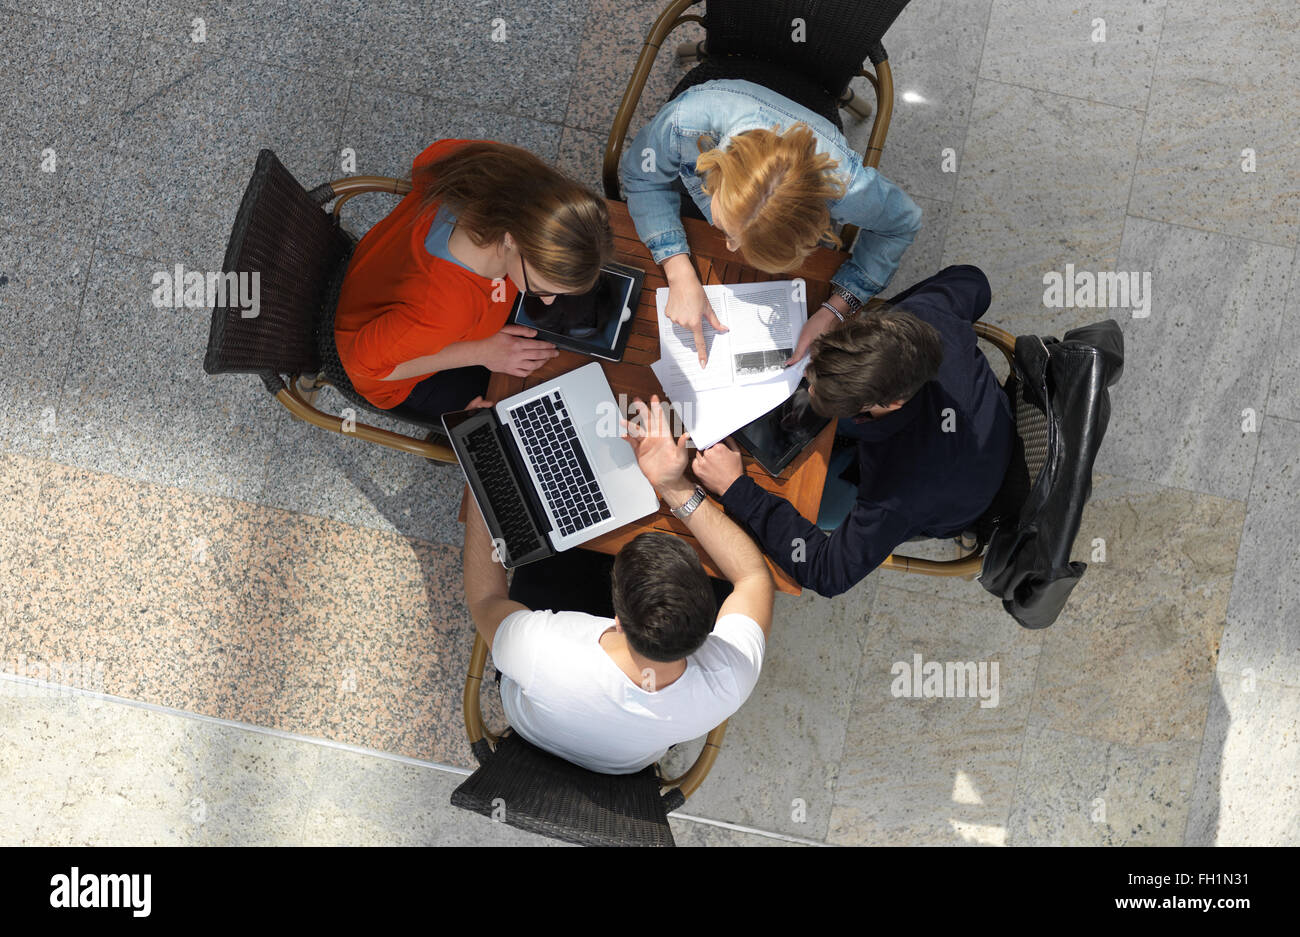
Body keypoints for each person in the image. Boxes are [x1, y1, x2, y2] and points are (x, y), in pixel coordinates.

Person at [461, 396, 774, 775]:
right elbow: (753, 576)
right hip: (623, 761)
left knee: (563, 542)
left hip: (543, 695)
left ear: (616, 618)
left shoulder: (541, 649)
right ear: (709, 621)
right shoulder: (729, 679)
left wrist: (480, 479)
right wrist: (673, 486)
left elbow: (486, 599)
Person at [691, 265, 1015, 598]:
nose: (811, 390)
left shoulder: (897, 495)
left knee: (788, 493)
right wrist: (835, 312)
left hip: (954, 493)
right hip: (971, 428)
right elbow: (975, 281)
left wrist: (735, 488)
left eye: (832, 398)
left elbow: (827, 571)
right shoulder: (923, 316)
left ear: (889, 403)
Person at [620, 79, 922, 366]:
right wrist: (676, 269)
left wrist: (834, 311)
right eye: (728, 230)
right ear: (717, 171)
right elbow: (642, 176)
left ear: (816, 219)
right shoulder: (684, 122)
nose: (729, 245)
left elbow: (901, 224)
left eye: (731, 234)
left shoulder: (846, 187)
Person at [334, 139, 613, 422]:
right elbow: (361, 367)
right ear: (511, 238)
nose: (548, 298)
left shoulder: (500, 169)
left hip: (378, 276)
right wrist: (480, 352)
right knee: (515, 422)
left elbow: (426, 162)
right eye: (541, 288)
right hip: (402, 376)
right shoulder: (444, 309)